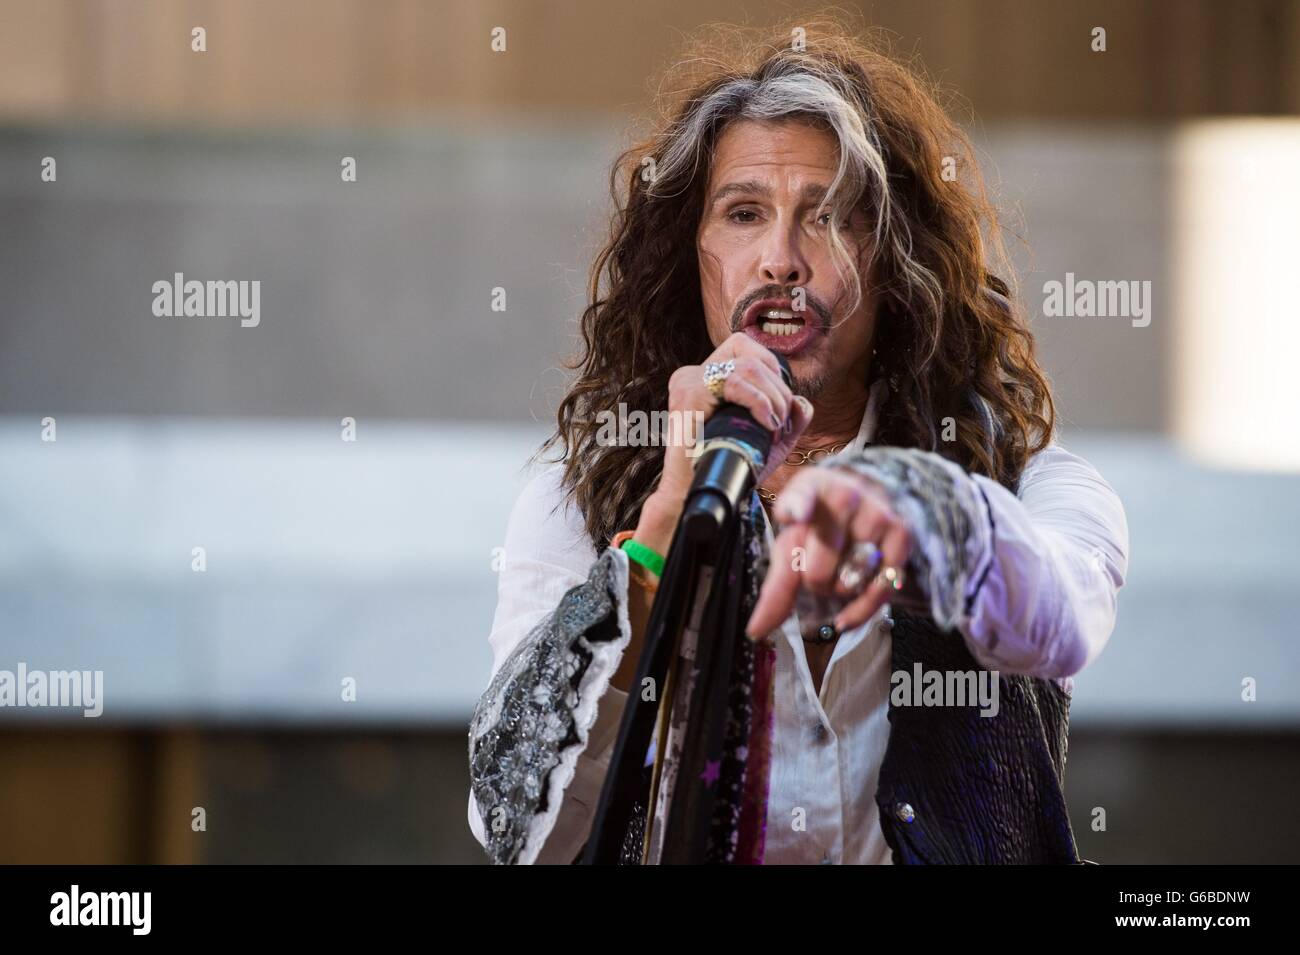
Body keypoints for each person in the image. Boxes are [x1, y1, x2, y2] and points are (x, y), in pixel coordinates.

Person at [466, 17, 1129, 865]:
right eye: (745, 213)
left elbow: (1062, 617)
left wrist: (930, 514)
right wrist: (659, 540)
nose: (781, 258)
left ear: (893, 259)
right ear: (692, 253)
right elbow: (517, 829)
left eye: (828, 217)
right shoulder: (576, 502)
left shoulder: (1033, 485)